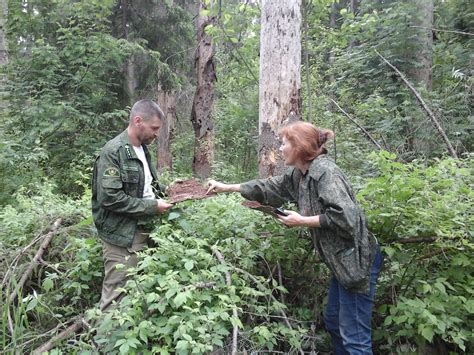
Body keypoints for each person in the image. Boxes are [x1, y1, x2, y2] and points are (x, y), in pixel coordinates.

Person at [207, 121, 383, 354]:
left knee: (355, 336)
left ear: (299, 146)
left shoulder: (325, 173)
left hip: (357, 261)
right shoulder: (300, 175)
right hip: (341, 263)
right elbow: (270, 187)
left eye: (284, 143)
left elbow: (347, 219)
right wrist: (227, 187)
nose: (280, 149)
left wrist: (301, 220)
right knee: (333, 321)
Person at [92, 99, 173, 311]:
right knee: (116, 295)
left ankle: (132, 337)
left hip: (143, 229)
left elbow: (144, 187)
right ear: (138, 121)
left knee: (137, 291)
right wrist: (153, 207)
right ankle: (105, 343)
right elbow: (109, 198)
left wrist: (167, 190)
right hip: (122, 236)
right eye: (154, 128)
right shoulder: (114, 151)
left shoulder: (142, 149)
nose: (157, 134)